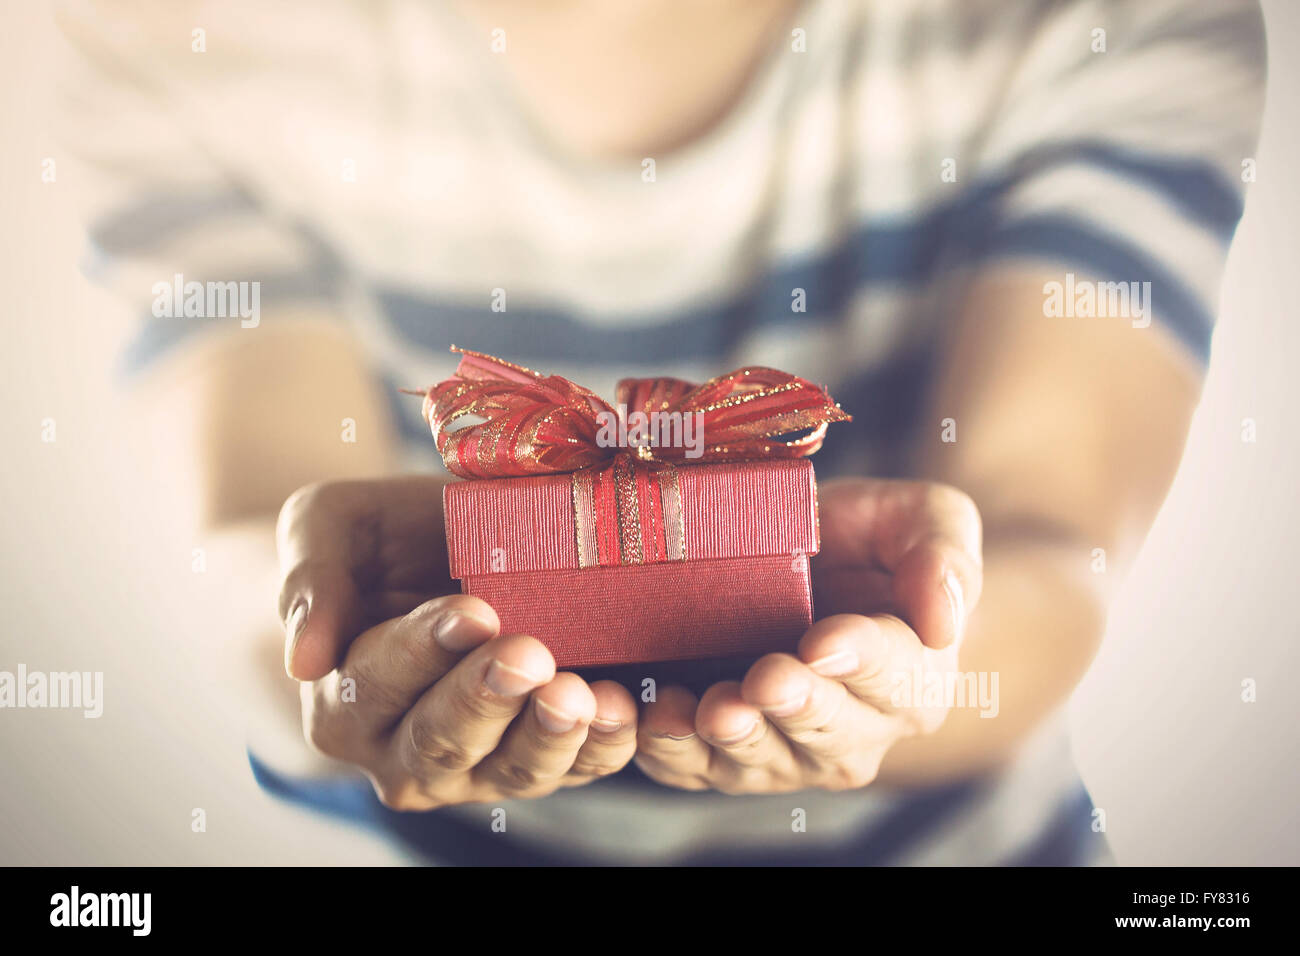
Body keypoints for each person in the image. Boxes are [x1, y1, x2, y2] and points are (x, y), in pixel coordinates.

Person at [55, 0, 1266, 864]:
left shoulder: (1110, 16)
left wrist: (921, 675)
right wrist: (316, 650)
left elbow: (1045, 544)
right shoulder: (182, 24)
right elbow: (250, 525)